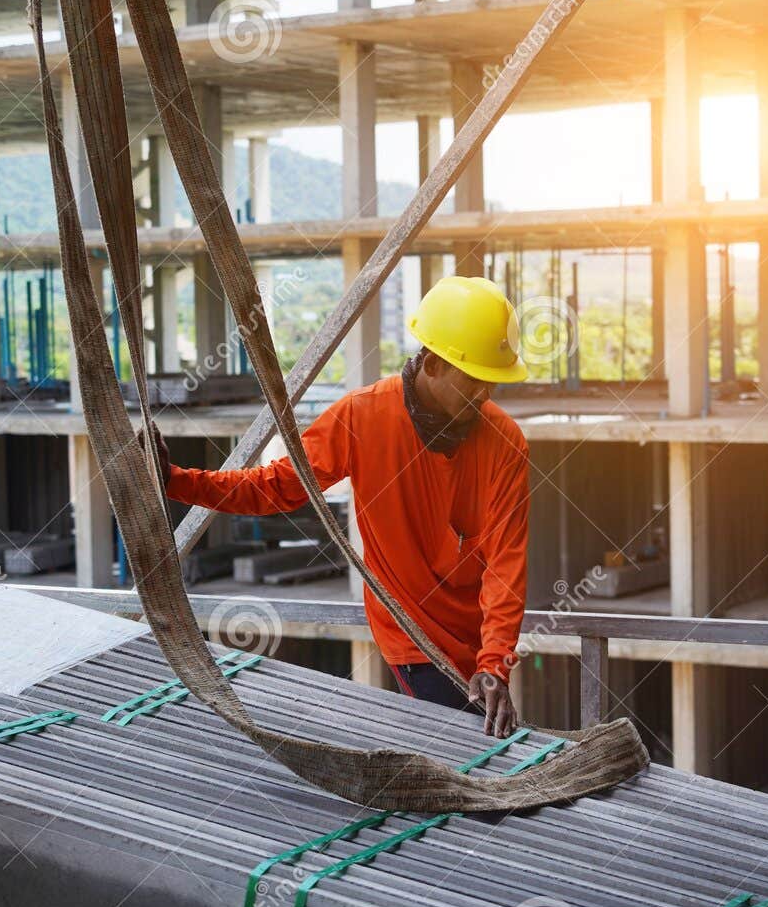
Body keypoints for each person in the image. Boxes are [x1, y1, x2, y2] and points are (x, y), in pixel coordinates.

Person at [152, 275, 530, 738]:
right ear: (432, 364)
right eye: (474, 380)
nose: (484, 395)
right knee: (467, 753)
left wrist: (494, 661)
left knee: (490, 751)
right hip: (410, 636)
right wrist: (177, 482)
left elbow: (505, 564)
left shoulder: (506, 441)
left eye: (491, 383)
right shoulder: (361, 417)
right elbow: (277, 488)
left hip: (478, 637)